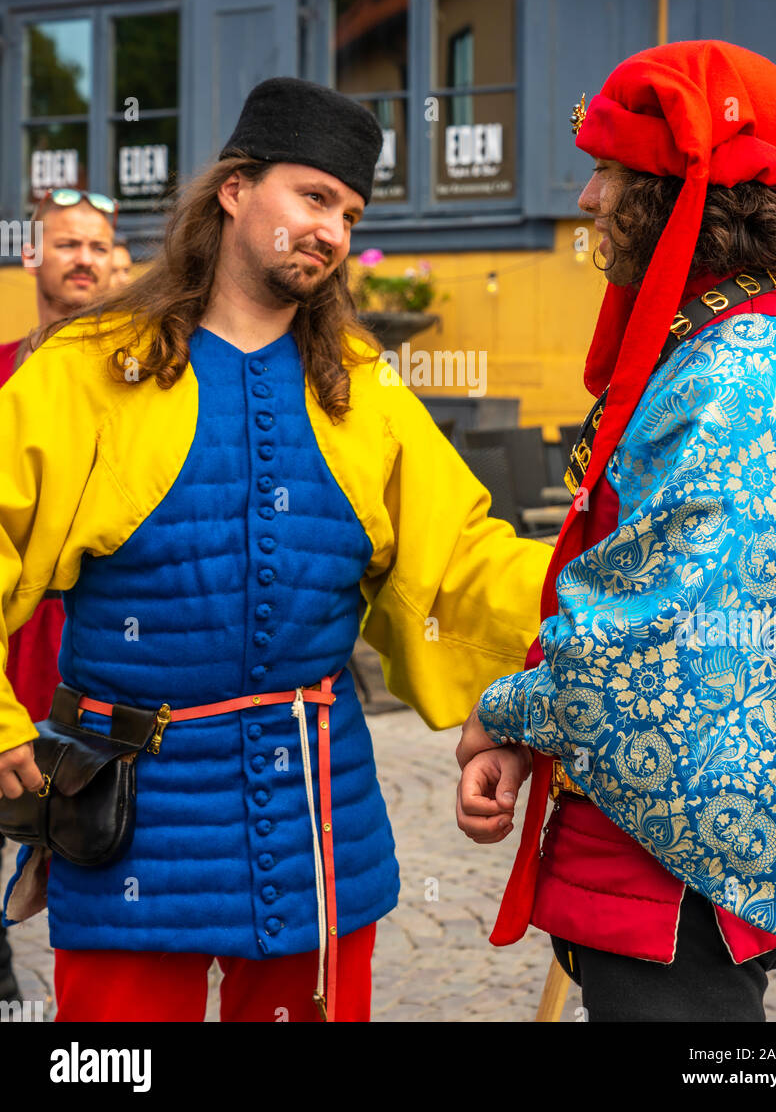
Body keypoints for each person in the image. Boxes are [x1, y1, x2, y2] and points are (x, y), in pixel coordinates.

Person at [0, 77, 552, 1023]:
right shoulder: (85, 371)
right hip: (131, 826)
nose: (332, 230)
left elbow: (457, 562)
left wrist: (606, 596)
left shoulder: (366, 391)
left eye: (348, 211)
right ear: (234, 189)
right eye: (312, 196)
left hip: (317, 823)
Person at [456, 40, 776, 1022]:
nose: (589, 200)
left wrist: (510, 710)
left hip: (675, 866)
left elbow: (665, 635)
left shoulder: (735, 376)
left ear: (684, 195)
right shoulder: (718, 348)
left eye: (610, 173)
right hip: (650, 837)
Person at [0, 188, 116, 1004]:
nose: (83, 257)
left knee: (87, 836)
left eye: (98, 246)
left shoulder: (144, 375)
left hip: (96, 657)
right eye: (66, 243)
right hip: (11, 641)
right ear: (33, 257)